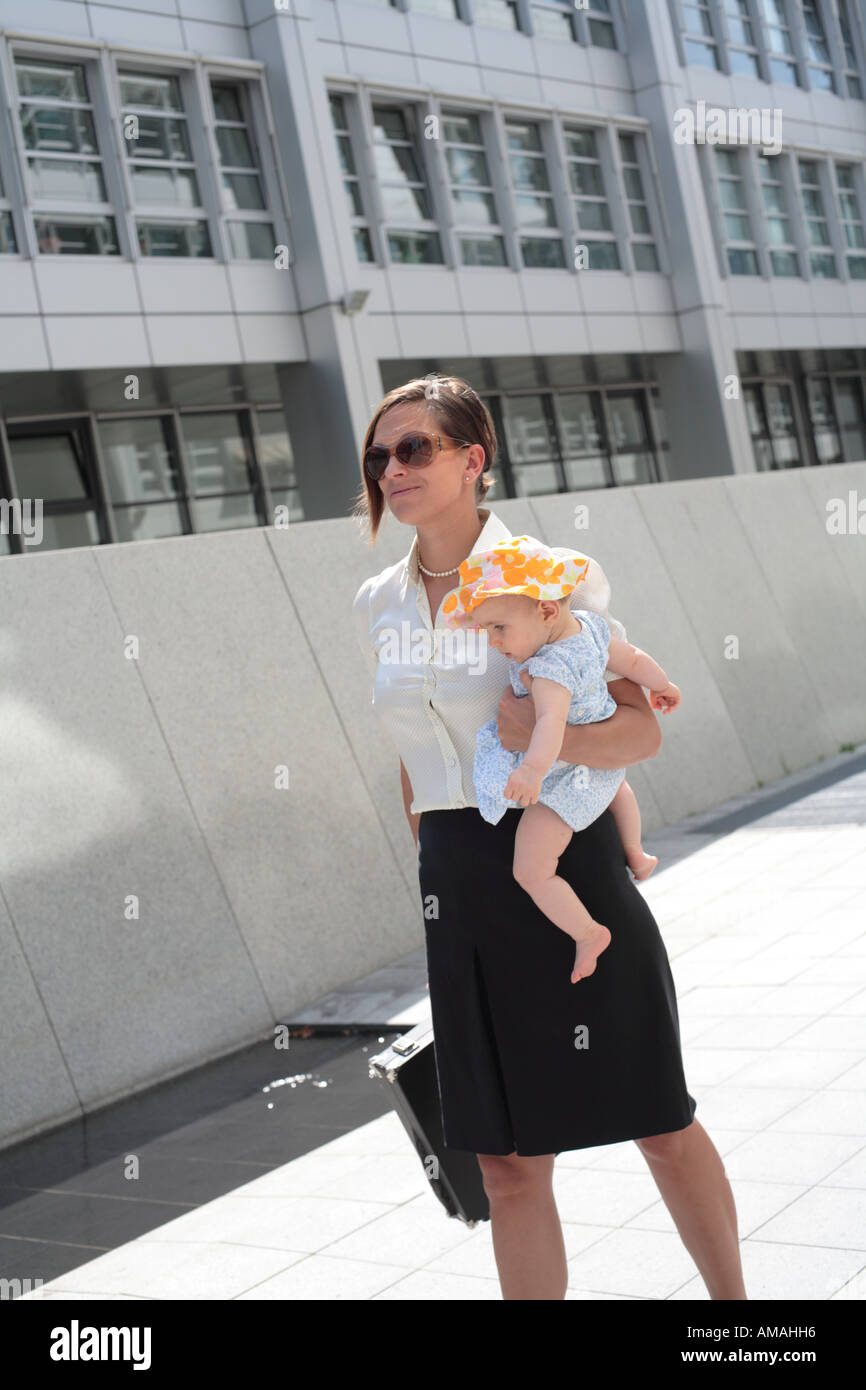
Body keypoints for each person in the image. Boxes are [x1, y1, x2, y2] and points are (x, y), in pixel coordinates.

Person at [351, 374, 747, 1301]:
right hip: (459, 880)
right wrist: (431, 846)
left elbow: (643, 730)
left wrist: (542, 738)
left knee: (658, 1119)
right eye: (379, 456)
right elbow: (414, 752)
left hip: (564, 866)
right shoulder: (378, 601)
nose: (391, 469)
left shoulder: (551, 572)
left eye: (414, 448)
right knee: (507, 1166)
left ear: (471, 460)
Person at [440, 534, 681, 982]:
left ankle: (588, 933)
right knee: (618, 787)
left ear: (546, 611)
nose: (493, 642)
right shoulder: (591, 629)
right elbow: (633, 659)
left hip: (565, 782)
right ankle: (636, 851)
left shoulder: (547, 669)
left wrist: (532, 771)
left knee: (530, 870)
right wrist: (663, 686)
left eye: (498, 628)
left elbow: (548, 724)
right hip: (604, 769)